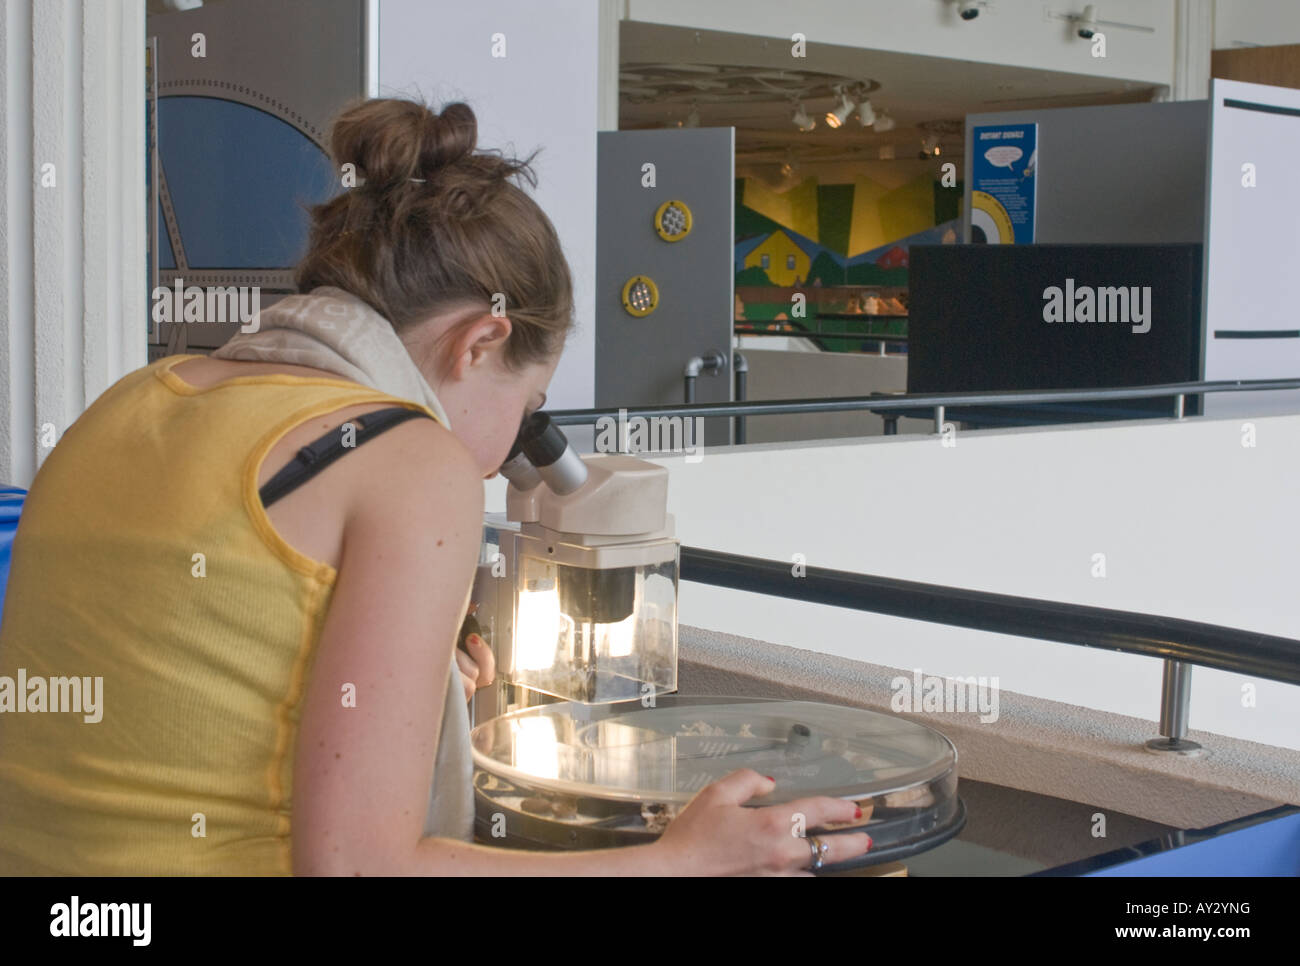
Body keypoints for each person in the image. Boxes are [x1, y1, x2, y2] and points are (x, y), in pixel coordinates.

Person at [0, 97, 872, 876]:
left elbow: (188, 678)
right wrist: (680, 862)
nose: (501, 460)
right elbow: (357, 866)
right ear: (481, 342)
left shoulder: (133, 398)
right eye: (526, 408)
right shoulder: (410, 459)